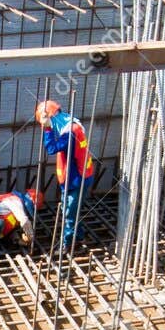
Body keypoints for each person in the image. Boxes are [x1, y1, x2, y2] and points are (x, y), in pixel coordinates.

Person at [35, 99, 95, 246]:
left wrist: (48, 130)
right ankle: (79, 237)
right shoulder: (70, 120)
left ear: (51, 117)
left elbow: (51, 149)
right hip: (82, 173)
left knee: (69, 213)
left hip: (76, 178)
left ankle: (66, 245)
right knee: (73, 211)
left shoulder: (69, 133)